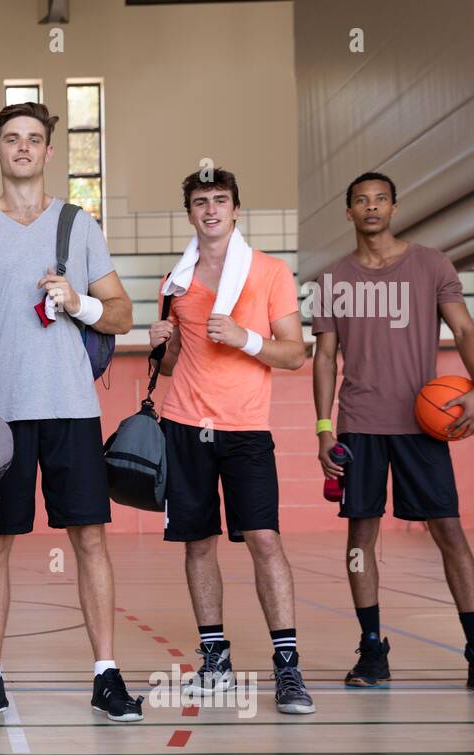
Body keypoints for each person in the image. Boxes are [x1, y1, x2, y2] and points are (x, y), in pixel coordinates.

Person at [0, 102, 140, 722]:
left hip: (70, 409)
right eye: (12, 139)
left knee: (90, 539)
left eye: (35, 139)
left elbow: (121, 316)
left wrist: (79, 301)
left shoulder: (80, 225)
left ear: (50, 152)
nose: (24, 149)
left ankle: (107, 674)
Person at [312, 171, 474, 698]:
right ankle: (373, 648)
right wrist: (322, 428)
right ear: (350, 212)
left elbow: (466, 329)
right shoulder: (333, 278)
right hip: (358, 424)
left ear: (394, 208)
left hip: (423, 425)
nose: (371, 207)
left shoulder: (431, 264)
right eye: (361, 200)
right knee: (361, 537)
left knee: (449, 532)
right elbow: (326, 357)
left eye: (380, 199)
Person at [149, 167, 315, 715]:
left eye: (221, 200)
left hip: (245, 430)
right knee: (198, 542)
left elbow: (295, 353)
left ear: (237, 209)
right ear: (191, 212)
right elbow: (171, 367)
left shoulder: (269, 272)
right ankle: (215, 659)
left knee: (265, 539)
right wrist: (161, 343)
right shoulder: (176, 280)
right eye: (200, 201)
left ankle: (287, 666)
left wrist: (245, 338)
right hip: (184, 426)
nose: (211, 209)